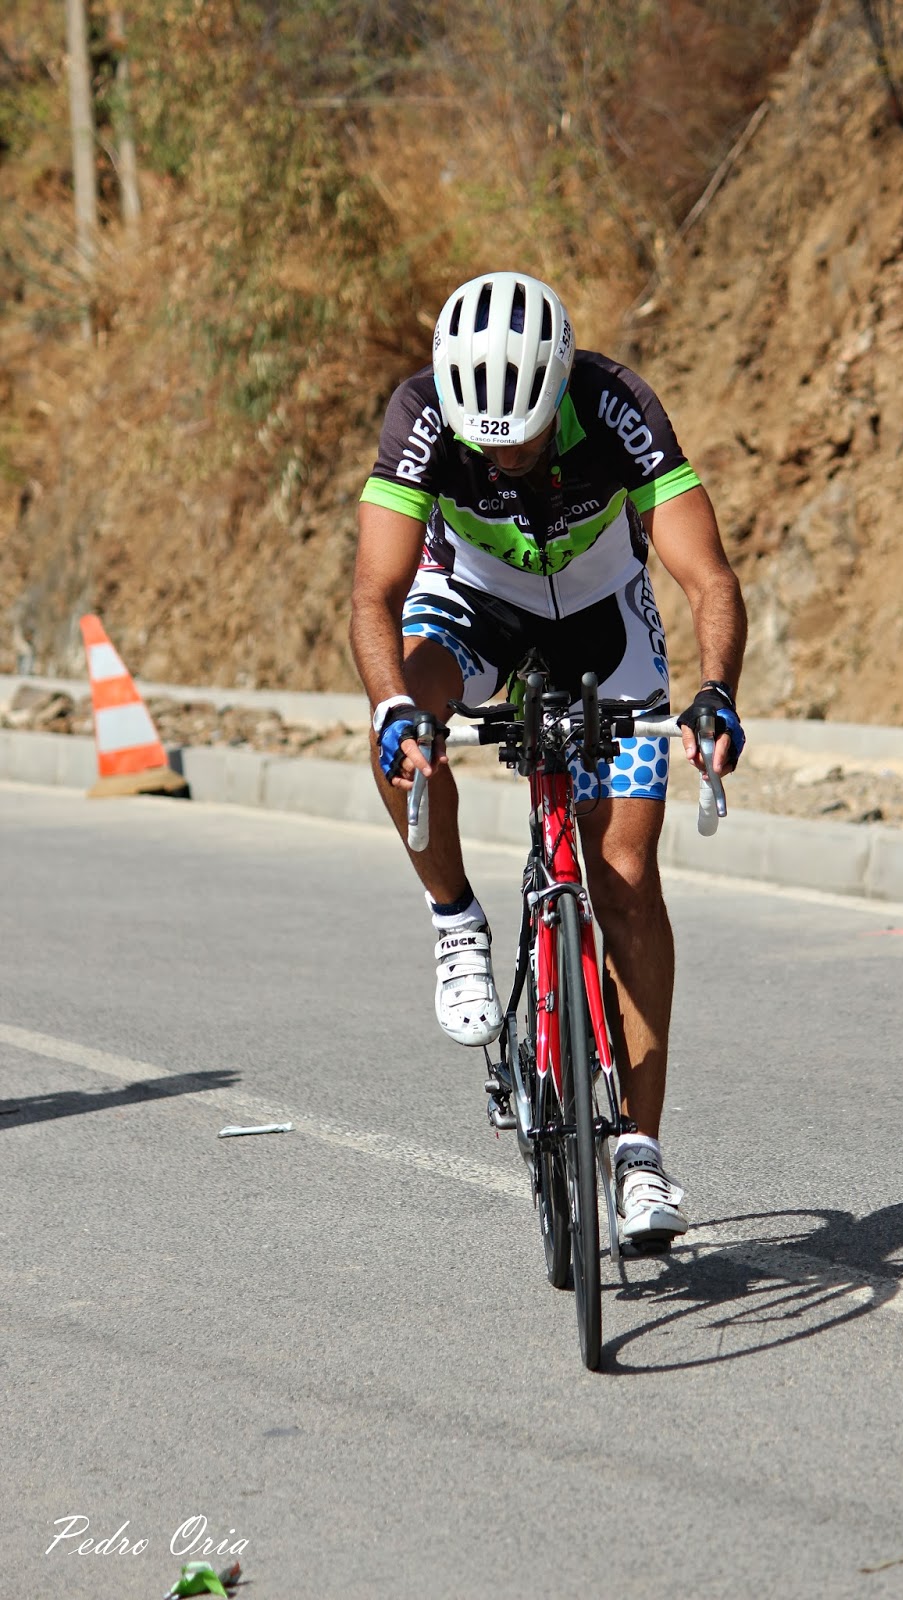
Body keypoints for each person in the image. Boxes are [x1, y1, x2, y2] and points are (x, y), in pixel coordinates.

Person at [350, 270, 746, 1245]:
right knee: (401, 716)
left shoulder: (616, 406)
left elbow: (706, 576)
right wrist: (397, 708)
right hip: (471, 611)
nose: (505, 456)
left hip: (604, 627)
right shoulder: (420, 415)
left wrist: (717, 693)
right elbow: (375, 592)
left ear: (557, 386)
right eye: (486, 440)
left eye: (521, 435)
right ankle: (454, 923)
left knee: (623, 879)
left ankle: (640, 1156)